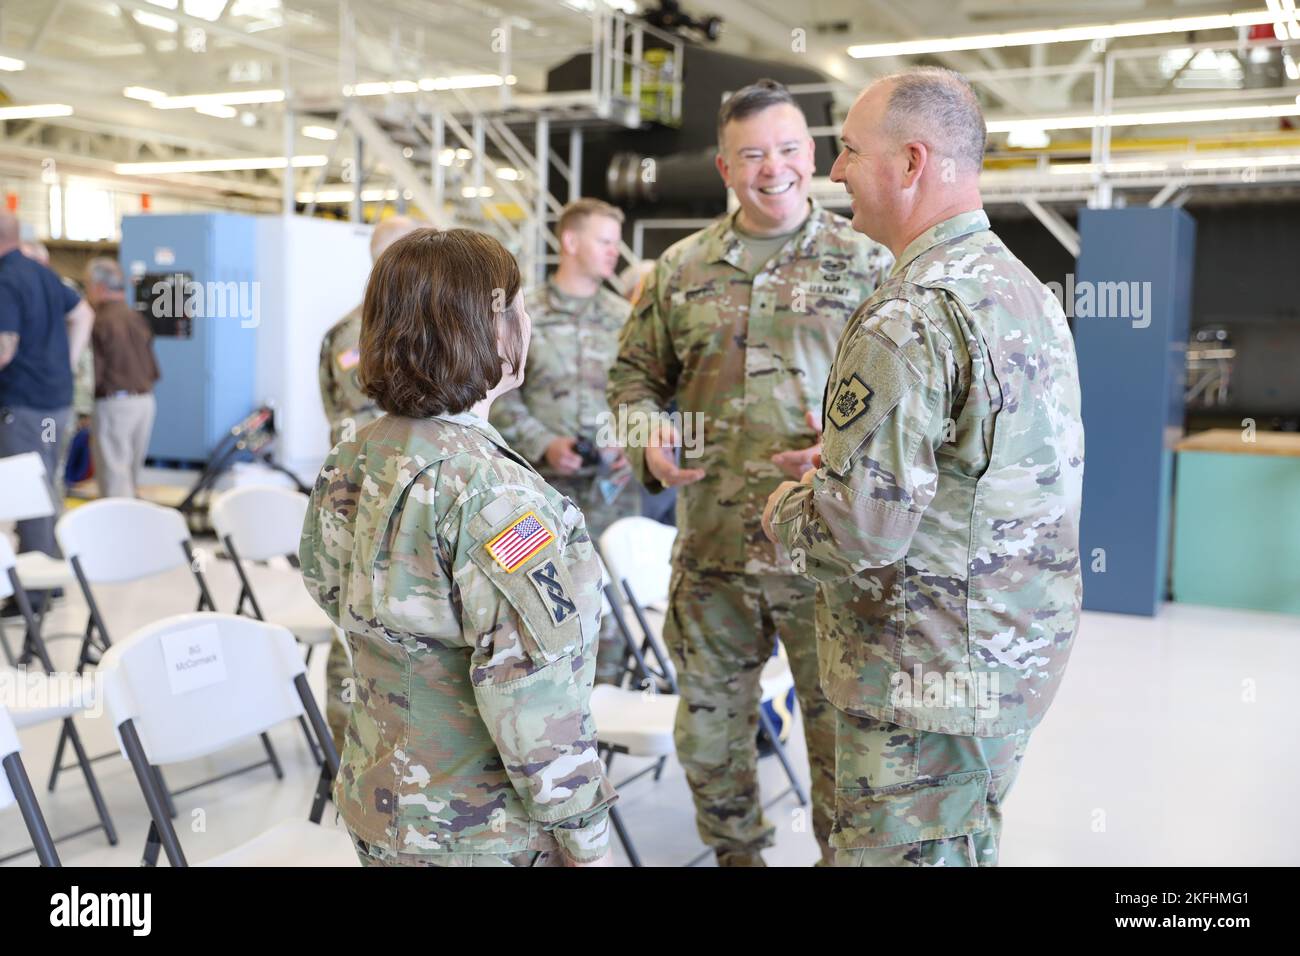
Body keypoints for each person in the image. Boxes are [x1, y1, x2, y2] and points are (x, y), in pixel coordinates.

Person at [763, 66, 1085, 867]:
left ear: (910, 163)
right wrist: (852, 464)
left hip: (921, 681)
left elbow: (860, 536)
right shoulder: (1024, 292)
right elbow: (993, 467)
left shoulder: (907, 313)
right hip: (1009, 658)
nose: (833, 172)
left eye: (847, 151)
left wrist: (786, 506)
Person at [606, 78, 894, 866]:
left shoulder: (868, 265)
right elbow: (631, 378)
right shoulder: (679, 270)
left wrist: (847, 453)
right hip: (713, 558)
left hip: (826, 559)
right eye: (753, 155)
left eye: (790, 149)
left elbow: (911, 411)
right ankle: (739, 858)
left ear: (816, 155)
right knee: (708, 738)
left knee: (846, 747)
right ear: (726, 169)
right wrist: (647, 435)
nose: (775, 169)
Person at [300, 228, 616, 867]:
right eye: (517, 309)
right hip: (480, 829)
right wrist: (587, 841)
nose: (527, 324)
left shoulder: (355, 456)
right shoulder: (496, 495)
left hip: (383, 806)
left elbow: (331, 592)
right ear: (490, 332)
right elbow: (536, 694)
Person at [490, 198, 637, 685]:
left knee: (610, 607)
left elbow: (645, 393)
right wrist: (544, 442)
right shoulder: (521, 313)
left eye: (617, 242)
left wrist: (629, 442)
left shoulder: (625, 317)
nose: (615, 252)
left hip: (609, 496)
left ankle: (608, 705)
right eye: (604, 241)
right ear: (570, 242)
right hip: (538, 493)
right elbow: (499, 394)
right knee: (536, 604)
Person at [315, 213, 421, 753]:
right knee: (360, 617)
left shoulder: (431, 333)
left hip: (422, 503)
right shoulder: (354, 337)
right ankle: (346, 743)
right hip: (370, 501)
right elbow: (350, 422)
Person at [0, 212, 93, 615]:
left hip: (23, 406)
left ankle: (33, 593)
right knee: (45, 483)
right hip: (56, 404)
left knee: (27, 492)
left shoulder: (5, 278)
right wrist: (66, 365)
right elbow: (84, 314)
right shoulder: (42, 273)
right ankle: (50, 579)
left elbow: (4, 348)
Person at [84, 257, 159, 499]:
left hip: (114, 404)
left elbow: (93, 369)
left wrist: (82, 408)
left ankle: (117, 532)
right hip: (145, 401)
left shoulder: (98, 321)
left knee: (115, 476)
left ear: (98, 287)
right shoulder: (135, 317)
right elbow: (153, 366)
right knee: (130, 476)